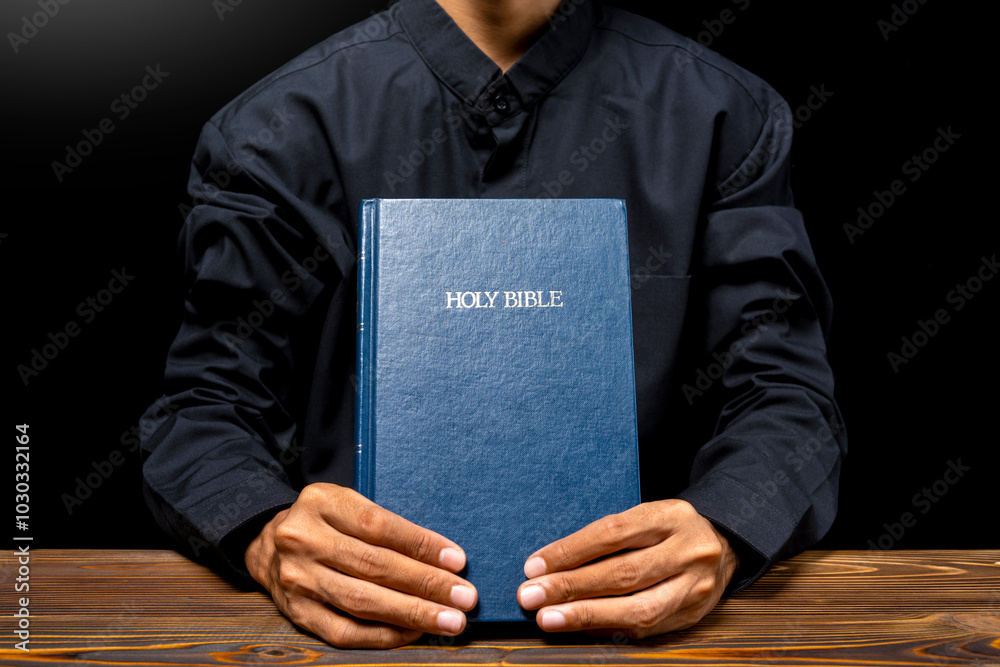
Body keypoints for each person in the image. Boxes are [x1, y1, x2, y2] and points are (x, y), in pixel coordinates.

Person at [141, 0, 846, 649]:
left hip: (646, 649)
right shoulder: (275, 130)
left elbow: (787, 397)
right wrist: (265, 532)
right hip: (360, 649)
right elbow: (204, 406)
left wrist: (725, 528)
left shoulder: (726, 114)